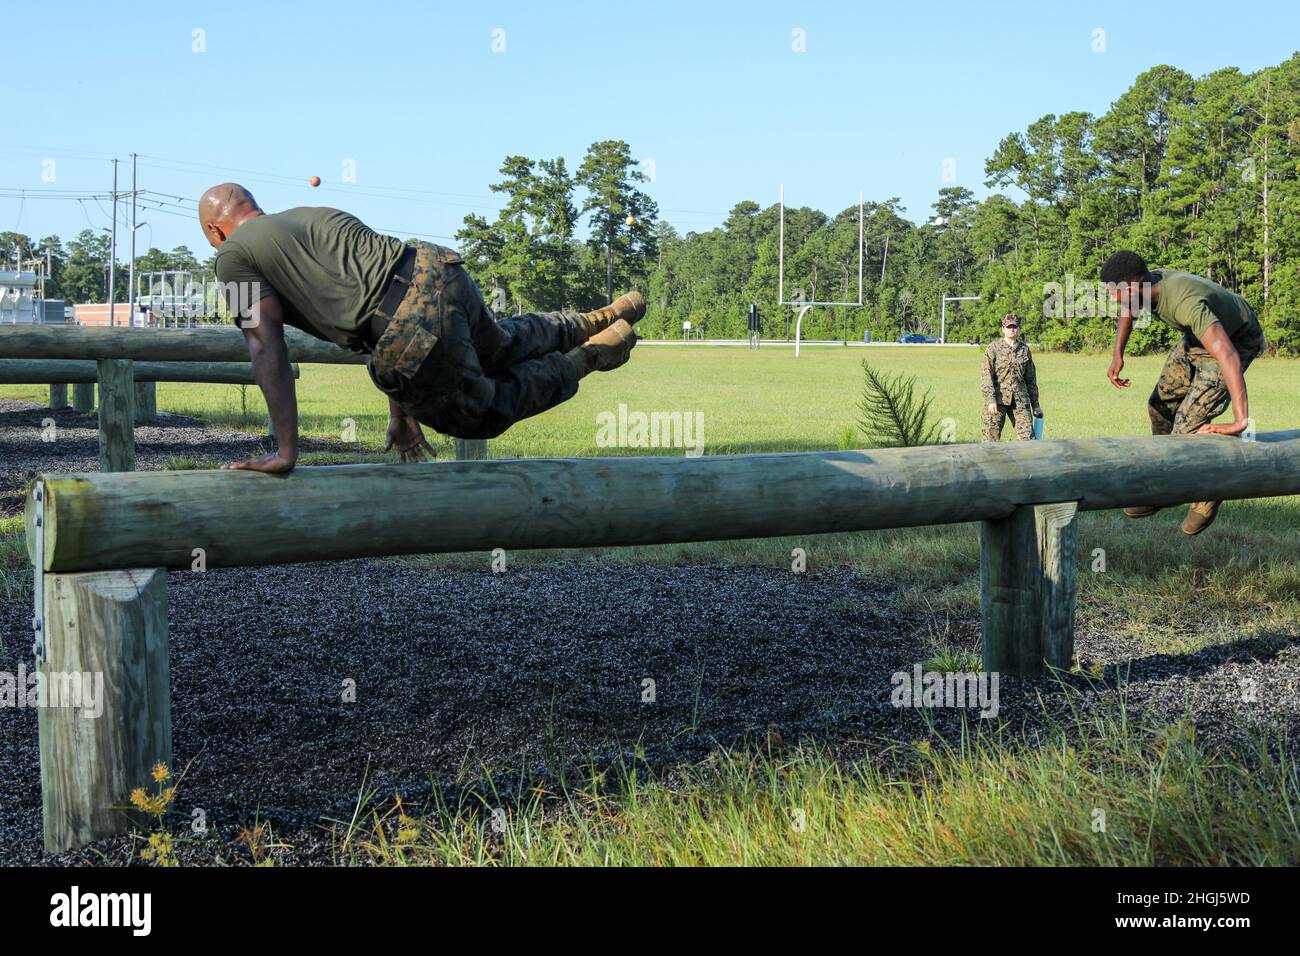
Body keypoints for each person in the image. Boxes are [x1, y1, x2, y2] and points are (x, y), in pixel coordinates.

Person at [198, 183, 643, 473]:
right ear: (255, 207)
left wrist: (286, 451)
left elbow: (264, 344)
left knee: (480, 411)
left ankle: (592, 354)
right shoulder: (313, 214)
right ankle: (597, 317)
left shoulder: (231, 258)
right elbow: (383, 301)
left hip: (407, 324)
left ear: (216, 231)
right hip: (438, 268)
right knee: (501, 345)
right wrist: (400, 411)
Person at [1101, 250, 1266, 534]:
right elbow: (1128, 310)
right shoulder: (1144, 287)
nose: (1111, 298)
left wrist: (1241, 422)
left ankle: (1207, 494)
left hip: (1236, 340)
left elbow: (1227, 355)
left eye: (1112, 292)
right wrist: (1118, 353)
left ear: (1129, 287)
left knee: (1188, 428)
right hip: (1197, 339)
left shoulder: (1184, 302)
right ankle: (1165, 484)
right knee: (1159, 406)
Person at [981, 313, 1041, 441]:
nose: (1012, 329)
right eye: (1008, 327)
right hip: (997, 400)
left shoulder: (1024, 350)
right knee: (990, 440)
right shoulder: (993, 348)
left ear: (1019, 329)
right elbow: (986, 376)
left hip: (1020, 400)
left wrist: (1036, 405)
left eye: (1015, 326)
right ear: (1003, 329)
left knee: (1028, 438)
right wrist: (990, 400)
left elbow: (1031, 380)